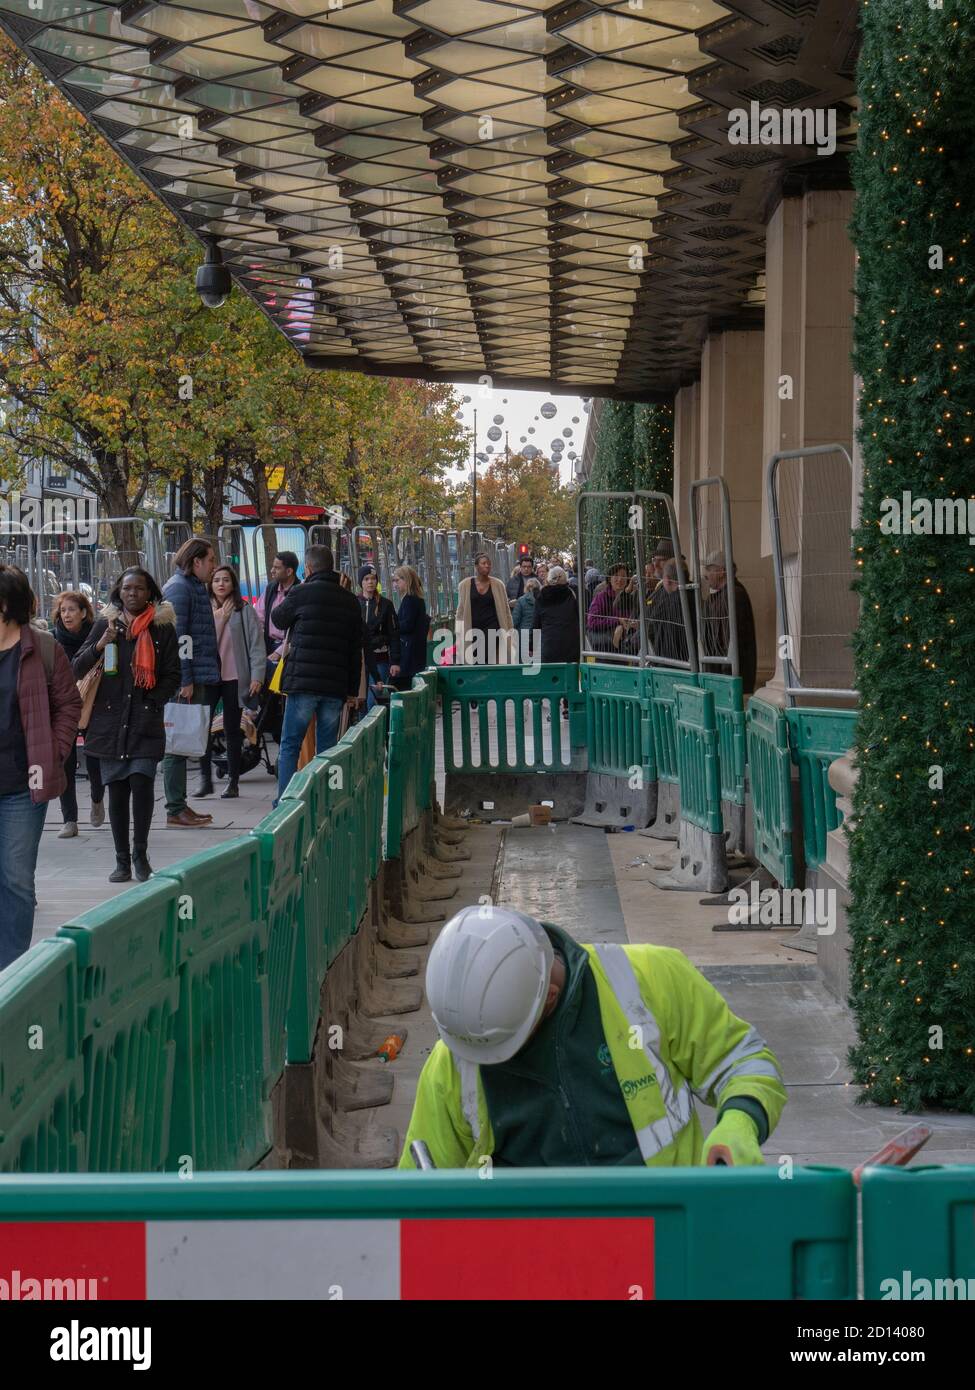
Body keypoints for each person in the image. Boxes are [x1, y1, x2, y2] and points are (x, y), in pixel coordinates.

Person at [400, 906, 786, 1170]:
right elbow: (415, 1201)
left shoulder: (650, 978)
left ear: (549, 997)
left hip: (660, 1235)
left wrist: (740, 1121)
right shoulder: (452, 1061)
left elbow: (745, 1061)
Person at [74, 568, 180, 883]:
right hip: (108, 722)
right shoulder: (104, 626)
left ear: (150, 593)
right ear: (118, 592)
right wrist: (99, 644)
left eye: (139, 588)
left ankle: (140, 854)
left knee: (142, 785)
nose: (132, 593)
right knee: (117, 793)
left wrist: (154, 700)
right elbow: (76, 667)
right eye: (127, 588)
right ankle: (121, 860)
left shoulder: (163, 630)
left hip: (144, 721)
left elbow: (174, 673)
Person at [0, 565, 81, 969]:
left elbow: (69, 705)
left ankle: (10, 971)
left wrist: (54, 751)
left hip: (22, 785)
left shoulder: (44, 648)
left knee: (15, 878)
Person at [273, 544, 364, 801]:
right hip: (334, 686)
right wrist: (350, 689)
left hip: (302, 682)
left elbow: (278, 619)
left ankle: (285, 801)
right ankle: (326, 799)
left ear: (309, 568)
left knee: (291, 744)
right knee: (327, 747)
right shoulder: (350, 600)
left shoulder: (301, 593)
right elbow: (355, 648)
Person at [161, 537, 219, 824]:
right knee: (178, 743)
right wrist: (185, 679)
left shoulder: (191, 587)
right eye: (210, 560)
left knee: (185, 741)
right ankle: (175, 808)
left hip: (196, 676)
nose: (214, 566)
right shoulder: (181, 589)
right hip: (186, 680)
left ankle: (179, 805)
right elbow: (179, 638)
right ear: (196, 561)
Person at [202, 566, 264, 798]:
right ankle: (204, 778)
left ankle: (233, 781)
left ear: (233, 584)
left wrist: (257, 676)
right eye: (216, 580)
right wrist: (220, 618)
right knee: (203, 727)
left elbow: (256, 645)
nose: (221, 584)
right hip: (209, 677)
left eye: (226, 580)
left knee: (232, 730)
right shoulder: (204, 609)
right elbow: (205, 640)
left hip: (235, 678)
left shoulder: (244, 609)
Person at [51, 590, 104, 836]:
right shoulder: (54, 640)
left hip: (92, 702)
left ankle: (96, 798)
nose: (67, 615)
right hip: (63, 706)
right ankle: (69, 819)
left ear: (84, 613)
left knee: (93, 758)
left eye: (72, 609)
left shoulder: (96, 636)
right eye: (63, 610)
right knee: (66, 760)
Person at [253, 550, 300, 741]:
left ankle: (280, 733)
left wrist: (280, 652)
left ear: (289, 571)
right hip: (268, 646)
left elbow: (299, 628)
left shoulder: (299, 591)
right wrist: (260, 648)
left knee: (281, 696)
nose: (272, 571)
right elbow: (259, 617)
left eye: (276, 567)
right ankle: (265, 726)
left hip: (289, 650)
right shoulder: (271, 589)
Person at [702, 552, 758, 695]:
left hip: (730, 677)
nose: (705, 575)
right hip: (722, 674)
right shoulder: (719, 597)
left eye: (709, 569)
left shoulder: (734, 595)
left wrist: (725, 673)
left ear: (721, 571)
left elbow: (731, 639)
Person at [455, 551, 513, 665]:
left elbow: (506, 610)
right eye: (484, 563)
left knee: (487, 655)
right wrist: (458, 631)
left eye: (489, 563)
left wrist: (510, 629)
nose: (487, 565)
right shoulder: (465, 585)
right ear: (476, 566)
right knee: (472, 657)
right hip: (471, 627)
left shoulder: (498, 585)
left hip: (492, 626)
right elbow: (460, 610)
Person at [358, 565, 400, 709]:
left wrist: (395, 661)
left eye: (373, 579)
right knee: (360, 700)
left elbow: (394, 634)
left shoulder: (386, 605)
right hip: (359, 661)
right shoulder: (355, 602)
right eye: (366, 579)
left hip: (380, 659)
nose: (370, 582)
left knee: (374, 700)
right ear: (361, 582)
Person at [648, 558, 696, 665]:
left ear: (667, 579)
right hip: (694, 661)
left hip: (669, 663)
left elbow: (651, 629)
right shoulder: (697, 597)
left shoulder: (665, 604)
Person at [390, 565, 429, 688]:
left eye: (397, 580)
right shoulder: (418, 600)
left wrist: (392, 626)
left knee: (400, 686)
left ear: (407, 580)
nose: (395, 585)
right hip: (416, 654)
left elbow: (407, 625)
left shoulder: (409, 600)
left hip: (408, 654)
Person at [535, 566, 579, 665]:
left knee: (550, 676)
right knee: (570, 676)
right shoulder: (573, 594)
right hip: (571, 644)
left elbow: (536, 623)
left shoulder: (542, 596)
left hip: (549, 644)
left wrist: (531, 645)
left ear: (549, 579)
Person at [586, 563, 630, 653]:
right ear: (609, 578)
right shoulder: (601, 597)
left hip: (628, 647)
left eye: (623, 576)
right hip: (605, 649)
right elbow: (592, 622)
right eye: (616, 575)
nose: (620, 579)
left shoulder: (631, 597)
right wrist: (617, 621)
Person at [511, 576, 540, 662]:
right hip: (537, 635)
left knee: (523, 664)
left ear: (526, 588)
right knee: (536, 664)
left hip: (523, 635)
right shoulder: (542, 600)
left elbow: (515, 621)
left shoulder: (521, 600)